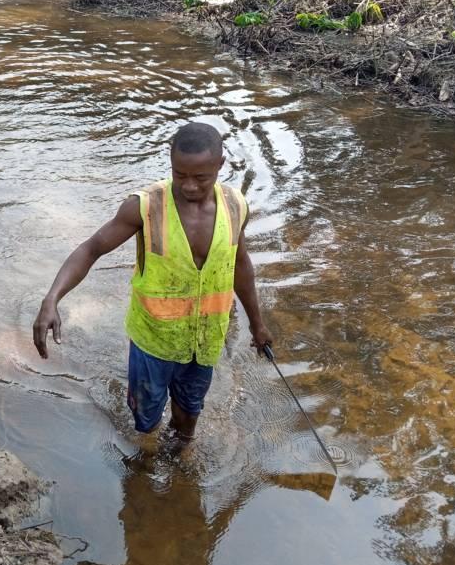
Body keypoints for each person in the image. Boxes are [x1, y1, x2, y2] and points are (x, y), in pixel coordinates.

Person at [32, 122, 274, 441]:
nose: (189, 186)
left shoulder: (235, 205)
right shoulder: (145, 206)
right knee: (146, 422)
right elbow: (92, 248)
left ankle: (182, 467)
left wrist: (257, 324)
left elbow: (241, 265)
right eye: (180, 174)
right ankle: (144, 468)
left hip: (204, 341)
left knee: (189, 418)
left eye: (201, 178)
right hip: (153, 343)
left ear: (220, 165)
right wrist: (51, 299)